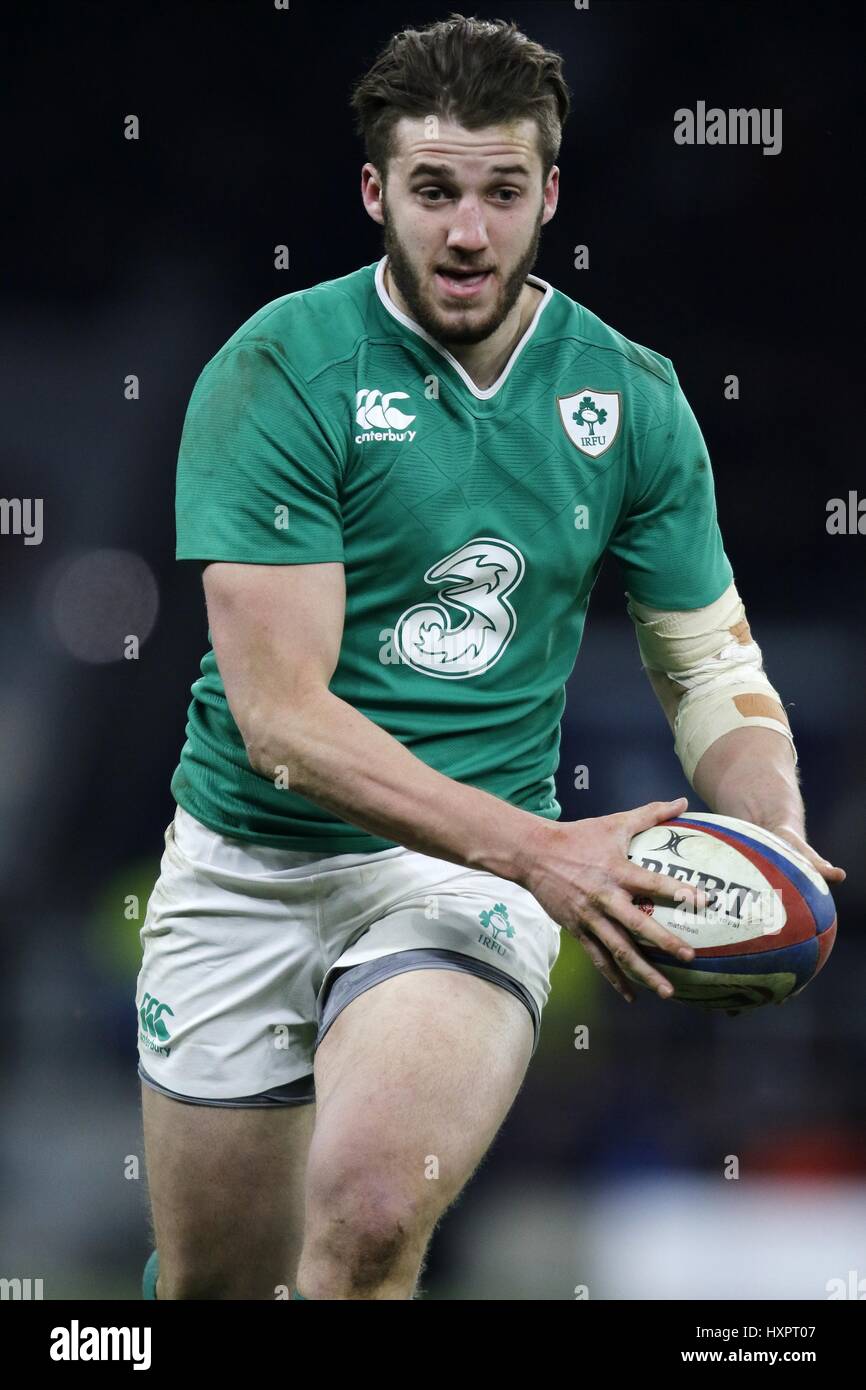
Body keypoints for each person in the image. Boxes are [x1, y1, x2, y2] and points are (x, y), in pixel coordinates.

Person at [137, 14, 844, 1301]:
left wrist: (774, 832)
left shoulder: (629, 396)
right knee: (209, 1288)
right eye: (434, 191)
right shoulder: (279, 369)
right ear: (374, 193)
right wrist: (546, 850)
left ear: (547, 195)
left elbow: (706, 672)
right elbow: (281, 724)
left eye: (501, 192)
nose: (467, 231)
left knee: (361, 1220)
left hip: (456, 875)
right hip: (249, 865)